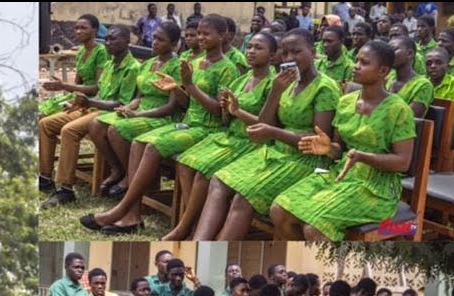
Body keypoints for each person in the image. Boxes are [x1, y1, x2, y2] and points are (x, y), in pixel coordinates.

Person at [85, 14, 239, 234]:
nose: (201, 38)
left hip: (208, 129)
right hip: (188, 123)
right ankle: (131, 215)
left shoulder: (228, 69)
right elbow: (186, 103)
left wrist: (189, 86)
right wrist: (175, 88)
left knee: (152, 146)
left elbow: (220, 111)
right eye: (199, 33)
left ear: (222, 36)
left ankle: (121, 210)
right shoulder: (195, 63)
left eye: (206, 34)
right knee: (139, 142)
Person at [195, 29, 340, 243]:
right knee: (219, 179)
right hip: (276, 151)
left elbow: (318, 141)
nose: (290, 58)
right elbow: (263, 126)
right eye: (285, 53)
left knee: (244, 197)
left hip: (306, 160)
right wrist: (275, 92)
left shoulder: (324, 88)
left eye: (297, 52)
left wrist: (274, 132)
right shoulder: (286, 83)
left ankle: (217, 249)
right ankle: (199, 242)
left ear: (312, 52)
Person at [166, 30, 277, 243]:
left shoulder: (273, 85)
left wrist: (237, 112)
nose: (251, 51)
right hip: (230, 135)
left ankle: (186, 228)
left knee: (203, 172)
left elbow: (267, 126)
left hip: (251, 142)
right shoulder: (241, 80)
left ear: (272, 56)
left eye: (258, 48)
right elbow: (225, 120)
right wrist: (227, 110)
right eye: (249, 46)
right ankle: (193, 222)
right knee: (185, 162)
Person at [42, 25, 141, 207]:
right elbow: (99, 92)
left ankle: (65, 190)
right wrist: (81, 101)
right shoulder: (110, 64)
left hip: (108, 113)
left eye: (113, 39)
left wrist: (90, 103)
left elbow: (121, 104)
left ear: (127, 41)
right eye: (107, 39)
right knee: (46, 124)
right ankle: (45, 178)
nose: (108, 43)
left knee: (69, 131)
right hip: (94, 107)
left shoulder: (132, 67)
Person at [93, 21, 185, 196]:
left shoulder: (177, 67)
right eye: (154, 38)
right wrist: (128, 107)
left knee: (116, 129)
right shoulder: (148, 63)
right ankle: (119, 168)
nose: (155, 42)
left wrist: (137, 114)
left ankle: (131, 176)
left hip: (162, 116)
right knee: (96, 124)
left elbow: (172, 107)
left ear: (173, 44)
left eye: (161, 40)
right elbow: (139, 96)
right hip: (141, 109)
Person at [39, 15, 107, 188]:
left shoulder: (101, 52)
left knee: (67, 130)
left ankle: (65, 186)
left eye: (83, 28)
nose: (78, 31)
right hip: (80, 101)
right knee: (43, 122)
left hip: (95, 103)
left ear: (94, 30)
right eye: (76, 28)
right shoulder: (81, 52)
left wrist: (65, 86)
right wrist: (68, 96)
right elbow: (77, 83)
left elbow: (97, 88)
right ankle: (45, 177)